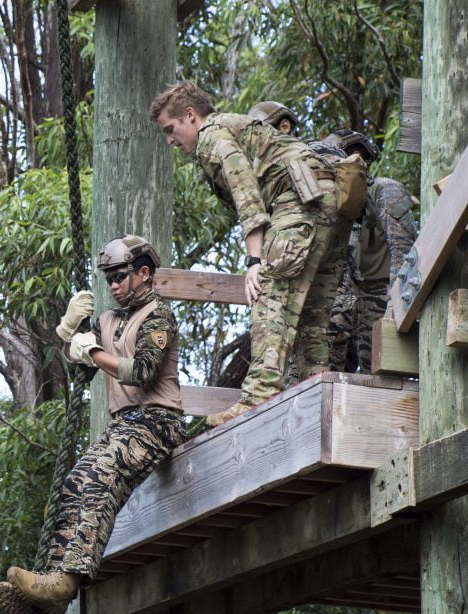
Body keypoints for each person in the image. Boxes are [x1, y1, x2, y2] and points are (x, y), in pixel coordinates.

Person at [0, 235, 186, 614]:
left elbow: (143, 373)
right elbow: (78, 365)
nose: (114, 285)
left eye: (120, 276)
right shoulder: (108, 320)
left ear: (144, 273)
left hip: (158, 422)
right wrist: (67, 332)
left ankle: (65, 583)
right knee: (77, 480)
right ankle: (54, 582)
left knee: (99, 474)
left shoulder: (158, 317)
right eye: (109, 278)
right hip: (126, 426)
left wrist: (94, 351)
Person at [148, 81, 346, 426]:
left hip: (297, 204)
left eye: (170, 129)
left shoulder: (213, 134)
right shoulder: (236, 127)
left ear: (191, 116)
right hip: (331, 206)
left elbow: (245, 191)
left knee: (267, 295)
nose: (169, 140)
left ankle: (257, 399)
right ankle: (316, 394)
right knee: (311, 313)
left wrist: (255, 261)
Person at [319, 129, 419, 371]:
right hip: (350, 296)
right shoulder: (332, 202)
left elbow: (404, 251)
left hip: (383, 293)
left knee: (378, 365)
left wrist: (395, 310)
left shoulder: (384, 190)